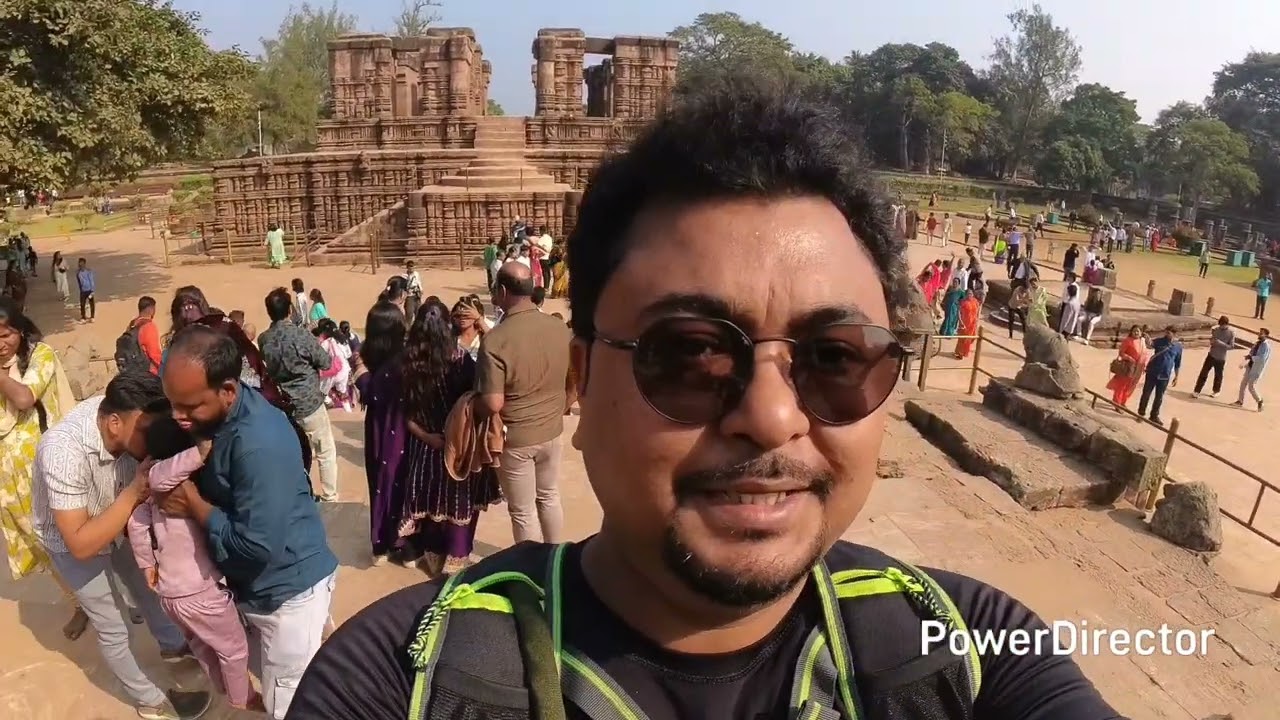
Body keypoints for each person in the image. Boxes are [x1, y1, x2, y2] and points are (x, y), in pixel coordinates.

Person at [288, 79, 1117, 720]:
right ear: (582, 381)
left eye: (835, 357)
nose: (772, 416)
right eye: (688, 354)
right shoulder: (402, 676)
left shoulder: (968, 646)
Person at [157, 325, 338, 720]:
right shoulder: (219, 419)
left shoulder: (257, 445)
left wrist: (194, 505)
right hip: (254, 589)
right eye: (172, 403)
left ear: (227, 390)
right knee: (278, 675)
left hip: (287, 592)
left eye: (189, 407)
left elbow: (256, 547)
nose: (178, 416)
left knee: (287, 701)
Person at [31, 372, 212, 720]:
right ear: (114, 424)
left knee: (148, 587)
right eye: (150, 431)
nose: (157, 439)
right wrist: (133, 492)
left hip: (116, 517)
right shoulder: (62, 451)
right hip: (73, 540)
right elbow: (81, 544)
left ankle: (174, 647)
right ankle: (150, 700)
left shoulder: (130, 427)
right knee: (113, 625)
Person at [127, 417, 258, 711]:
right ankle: (243, 698)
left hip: (171, 595)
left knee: (202, 645)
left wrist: (147, 564)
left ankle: (223, 686)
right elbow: (159, 475)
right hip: (198, 593)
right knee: (235, 649)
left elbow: (136, 524)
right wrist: (200, 452)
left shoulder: (158, 496)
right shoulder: (168, 482)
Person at [0, 298, 87, 641]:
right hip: (10, 478)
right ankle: (80, 603)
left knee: (77, 534)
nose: (1, 344)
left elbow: (24, 398)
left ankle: (117, 597)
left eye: (6, 334)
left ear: (21, 331)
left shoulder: (41, 355)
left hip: (49, 467)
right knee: (42, 545)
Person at [396, 300, 501, 575]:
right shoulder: (460, 360)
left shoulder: (408, 362)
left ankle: (433, 555)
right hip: (459, 445)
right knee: (459, 502)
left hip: (424, 447)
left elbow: (405, 414)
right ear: (447, 325)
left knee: (431, 503)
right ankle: (456, 558)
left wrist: (427, 437)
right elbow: (479, 396)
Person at [476, 262, 572, 544]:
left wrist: (470, 408)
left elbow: (493, 403)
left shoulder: (496, 340)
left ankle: (531, 565)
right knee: (549, 496)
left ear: (503, 291)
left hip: (516, 438)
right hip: (552, 430)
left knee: (523, 511)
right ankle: (554, 555)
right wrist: (563, 405)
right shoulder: (559, 328)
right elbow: (577, 380)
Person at [259, 287, 339, 501]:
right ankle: (329, 495)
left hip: (284, 406)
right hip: (310, 403)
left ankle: (298, 495)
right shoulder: (301, 335)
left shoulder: (264, 339)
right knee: (325, 451)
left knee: (293, 455)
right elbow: (325, 362)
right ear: (289, 310)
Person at [357, 301, 410, 563]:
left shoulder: (373, 361)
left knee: (381, 481)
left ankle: (383, 542)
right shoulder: (404, 360)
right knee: (395, 481)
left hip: (380, 429)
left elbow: (373, 393)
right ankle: (398, 542)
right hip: (400, 430)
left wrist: (361, 375)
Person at [1138, 326, 1182, 426]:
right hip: (1152, 372)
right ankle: (1141, 413)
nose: (1167, 334)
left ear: (1174, 334)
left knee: (1159, 397)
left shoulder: (1178, 346)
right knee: (1146, 394)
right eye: (1166, 332)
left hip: (1165, 374)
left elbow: (1177, 362)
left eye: (1169, 333)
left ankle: (1154, 415)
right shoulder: (1160, 341)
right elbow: (1150, 345)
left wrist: (1176, 376)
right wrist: (1146, 338)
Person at [1192, 316, 1236, 399]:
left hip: (1221, 357)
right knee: (1203, 373)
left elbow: (1231, 346)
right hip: (1211, 355)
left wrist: (1220, 343)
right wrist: (1212, 342)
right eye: (1220, 325)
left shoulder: (1231, 333)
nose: (1221, 327)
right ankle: (1197, 390)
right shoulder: (1216, 330)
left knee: (1218, 375)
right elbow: (1212, 340)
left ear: (1226, 324)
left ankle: (1216, 391)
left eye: (1223, 325)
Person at [314, 319, 353, 411]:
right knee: (343, 394)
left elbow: (320, 358)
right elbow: (349, 354)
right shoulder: (342, 340)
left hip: (333, 372)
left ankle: (329, 403)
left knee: (320, 391)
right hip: (345, 370)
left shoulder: (326, 342)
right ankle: (348, 412)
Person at [1234, 328, 1270, 411]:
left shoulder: (1266, 346)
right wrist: (1248, 356)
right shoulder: (1257, 343)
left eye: (1261, 333)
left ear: (1266, 335)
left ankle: (1260, 401)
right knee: (1243, 384)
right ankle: (1240, 401)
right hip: (1250, 366)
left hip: (1256, 369)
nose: (1259, 334)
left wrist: (1252, 357)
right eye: (1259, 333)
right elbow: (1252, 352)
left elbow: (1262, 358)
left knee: (1251, 386)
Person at [127, 296, 164, 374]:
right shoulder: (149, 326)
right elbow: (154, 354)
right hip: (148, 372)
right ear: (151, 309)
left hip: (133, 370)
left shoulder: (132, 324)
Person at [954, 290, 981, 359]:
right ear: (966, 295)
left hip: (973, 323)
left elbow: (978, 310)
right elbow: (958, 312)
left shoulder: (975, 301)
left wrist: (977, 320)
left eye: (971, 294)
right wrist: (960, 321)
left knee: (970, 338)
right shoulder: (963, 302)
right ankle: (960, 353)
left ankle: (965, 352)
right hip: (964, 323)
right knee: (962, 339)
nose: (970, 295)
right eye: (968, 294)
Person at [76, 257, 95, 322]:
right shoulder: (78, 273)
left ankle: (92, 317)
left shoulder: (88, 272)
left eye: (82, 263)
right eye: (79, 263)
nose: (80, 265)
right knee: (82, 304)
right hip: (83, 291)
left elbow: (91, 280)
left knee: (91, 304)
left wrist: (92, 290)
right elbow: (79, 282)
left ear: (84, 264)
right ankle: (83, 317)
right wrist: (81, 289)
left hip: (89, 290)